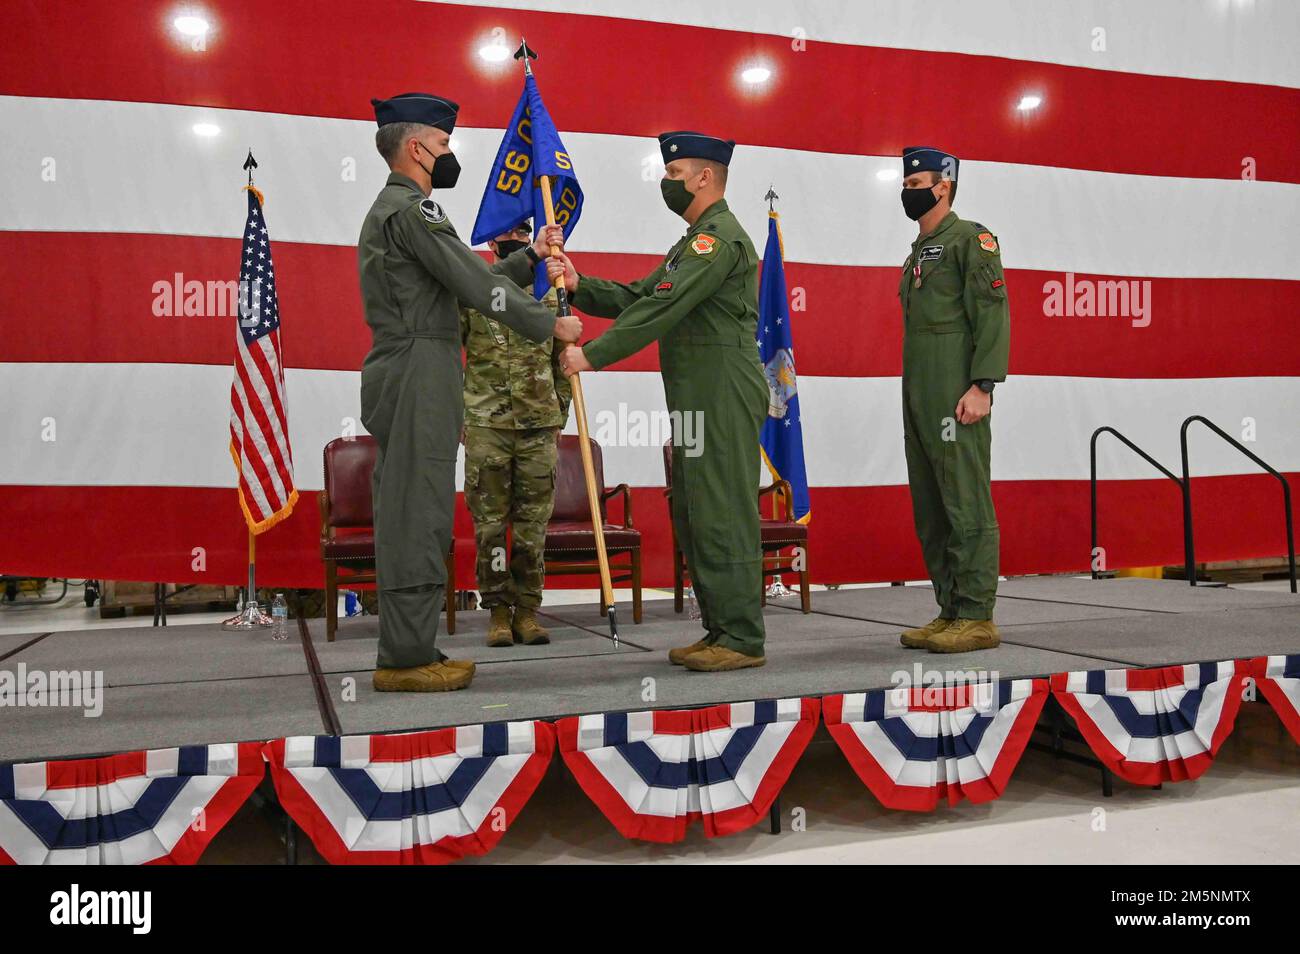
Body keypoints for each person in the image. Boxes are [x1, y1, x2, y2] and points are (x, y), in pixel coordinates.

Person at [358, 92, 580, 692]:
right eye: (444, 144)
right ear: (417, 148)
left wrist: (530, 256)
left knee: (421, 510)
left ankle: (411, 646)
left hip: (417, 365)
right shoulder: (413, 211)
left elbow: (467, 280)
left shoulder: (401, 211)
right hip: (417, 368)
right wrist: (548, 324)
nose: (448, 154)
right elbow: (477, 287)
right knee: (415, 513)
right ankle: (404, 659)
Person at [550, 131, 768, 673]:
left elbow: (657, 313)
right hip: (696, 393)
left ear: (704, 178)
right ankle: (720, 628)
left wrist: (591, 355)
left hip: (722, 389)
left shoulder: (717, 241)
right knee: (696, 509)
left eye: (674, 175)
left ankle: (742, 636)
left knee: (722, 508)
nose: (666, 183)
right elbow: (641, 296)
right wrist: (579, 285)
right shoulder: (692, 243)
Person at [895, 145, 1010, 654]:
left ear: (943, 186)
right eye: (906, 183)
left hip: (955, 387)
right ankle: (950, 608)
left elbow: (992, 309)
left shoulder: (971, 239)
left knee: (964, 499)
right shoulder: (919, 249)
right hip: (919, 386)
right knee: (931, 505)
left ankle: (977, 614)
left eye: (916, 183)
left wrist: (983, 385)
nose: (907, 191)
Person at [460, 219, 570, 648]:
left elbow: (563, 361)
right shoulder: (475, 291)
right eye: (509, 233)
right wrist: (461, 414)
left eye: (525, 233)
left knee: (532, 527)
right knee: (489, 528)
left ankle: (527, 610)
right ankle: (497, 612)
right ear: (492, 239)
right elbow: (449, 351)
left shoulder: (549, 293)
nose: (518, 239)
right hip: (487, 425)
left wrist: (559, 415)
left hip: (538, 425)